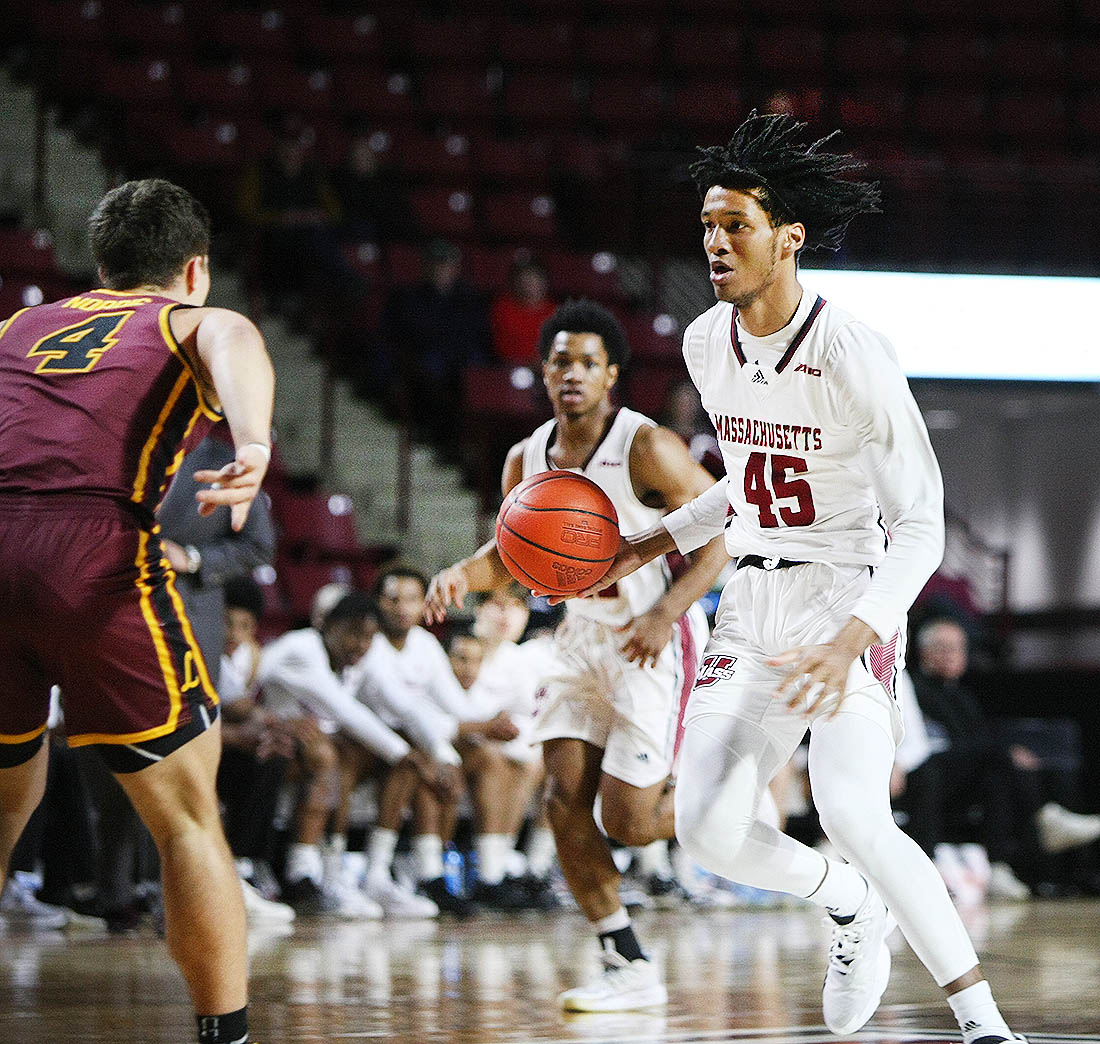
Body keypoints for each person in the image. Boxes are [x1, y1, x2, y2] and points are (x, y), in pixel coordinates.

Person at [561, 113, 1026, 1043]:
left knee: (852, 806)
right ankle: (851, 909)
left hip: (843, 596)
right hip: (751, 607)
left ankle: (984, 1026)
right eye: (706, 226)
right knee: (702, 829)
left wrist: (855, 636)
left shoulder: (851, 353)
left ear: (788, 238)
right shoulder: (705, 343)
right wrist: (648, 543)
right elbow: (743, 485)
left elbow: (923, 523)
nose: (716, 243)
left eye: (735, 225)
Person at [0, 178, 274, 1044]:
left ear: (101, 265)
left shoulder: (17, 326)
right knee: (189, 816)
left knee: (4, 805)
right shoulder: (189, 318)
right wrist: (255, 440)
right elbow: (233, 337)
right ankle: (222, 1034)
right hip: (91, 551)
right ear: (193, 270)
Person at [426, 299, 729, 1010]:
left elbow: (720, 528)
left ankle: (725, 805)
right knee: (563, 799)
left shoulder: (647, 446)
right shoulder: (524, 458)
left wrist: (664, 611)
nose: (573, 373)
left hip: (652, 638)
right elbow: (507, 556)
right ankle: (625, 958)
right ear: (544, 370)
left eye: (588, 362)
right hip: (579, 641)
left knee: (626, 820)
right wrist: (458, 577)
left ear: (611, 376)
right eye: (561, 359)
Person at [906, 618, 1100, 890]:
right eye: (944, 648)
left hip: (964, 774)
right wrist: (1002, 751)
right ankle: (1045, 818)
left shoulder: (962, 695)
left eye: (958, 648)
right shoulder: (913, 686)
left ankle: (998, 865)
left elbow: (976, 741)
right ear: (924, 651)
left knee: (998, 776)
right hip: (924, 771)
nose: (952, 655)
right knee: (1000, 756)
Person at [490, 256, 556, 366]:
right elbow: (501, 347)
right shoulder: (502, 308)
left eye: (534, 278)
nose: (529, 284)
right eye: (524, 278)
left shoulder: (556, 313)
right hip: (510, 369)